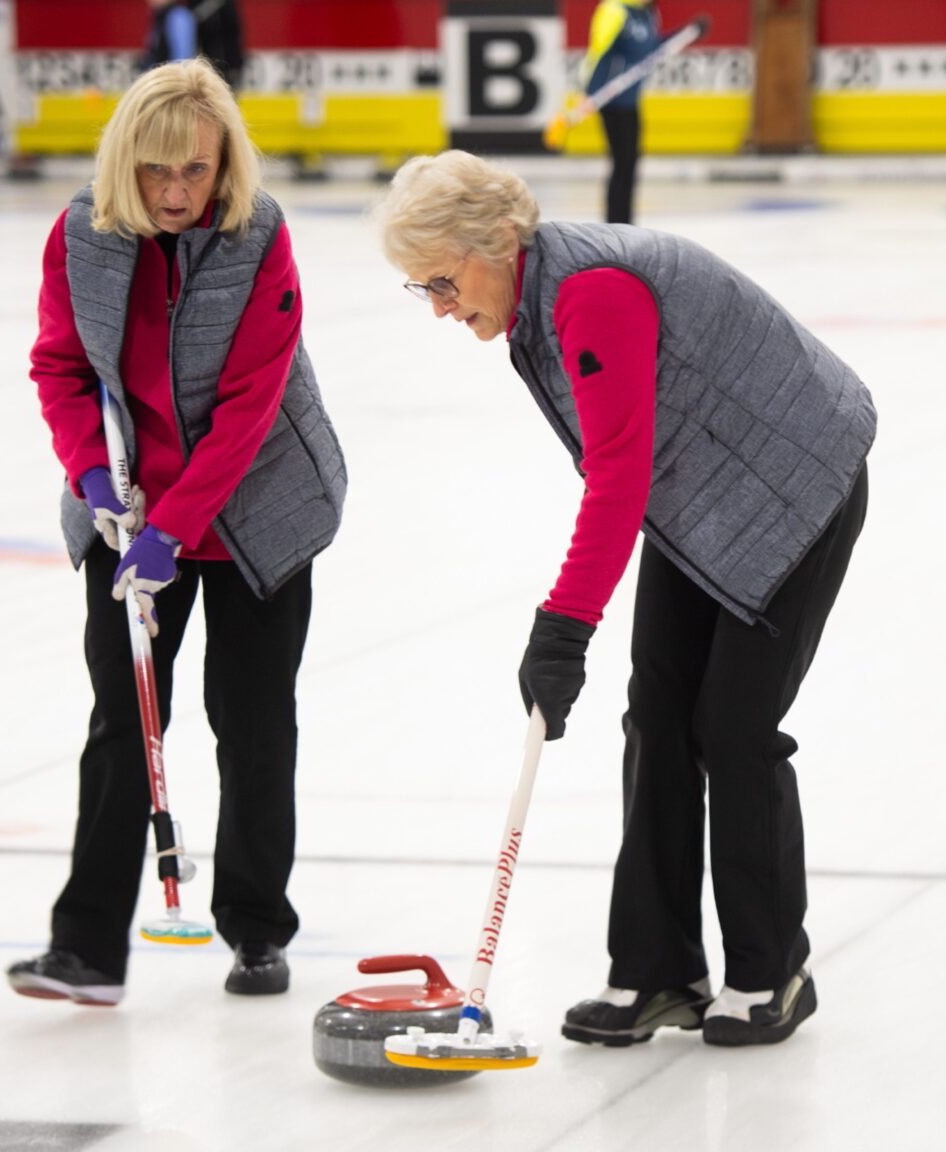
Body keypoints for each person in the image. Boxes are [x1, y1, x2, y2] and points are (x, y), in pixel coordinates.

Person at [375, 151, 874, 1047]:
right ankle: (657, 971)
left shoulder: (589, 293)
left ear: (497, 242)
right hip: (702, 492)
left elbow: (616, 475)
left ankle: (771, 972)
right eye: (425, 291)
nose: (441, 308)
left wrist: (563, 628)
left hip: (795, 484)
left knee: (732, 727)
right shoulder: (534, 291)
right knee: (657, 716)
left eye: (443, 282)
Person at [12, 59, 347, 1006]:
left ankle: (257, 928)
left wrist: (176, 528)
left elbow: (249, 407)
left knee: (253, 722)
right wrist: (92, 474)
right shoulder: (81, 234)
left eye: (194, 170)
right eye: (155, 170)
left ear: (223, 163)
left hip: (256, 510)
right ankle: (85, 949)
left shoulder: (258, 236)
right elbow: (61, 367)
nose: (173, 191)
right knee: (123, 722)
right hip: (126, 510)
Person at [581, 0, 662, 224]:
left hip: (632, 101)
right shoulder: (614, 10)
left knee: (630, 163)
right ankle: (615, 223)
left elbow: (654, 47)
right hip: (612, 101)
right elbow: (601, 52)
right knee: (622, 163)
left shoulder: (649, 13)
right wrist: (590, 93)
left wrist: (687, 32)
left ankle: (625, 222)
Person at [193, 0, 245, 91]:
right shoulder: (195, 5)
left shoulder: (228, 5)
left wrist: (236, 64)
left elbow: (235, 33)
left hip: (229, 64)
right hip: (208, 65)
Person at [141, 0, 198, 72]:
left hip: (171, 75)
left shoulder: (179, 16)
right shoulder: (159, 16)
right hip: (159, 74)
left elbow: (183, 60)